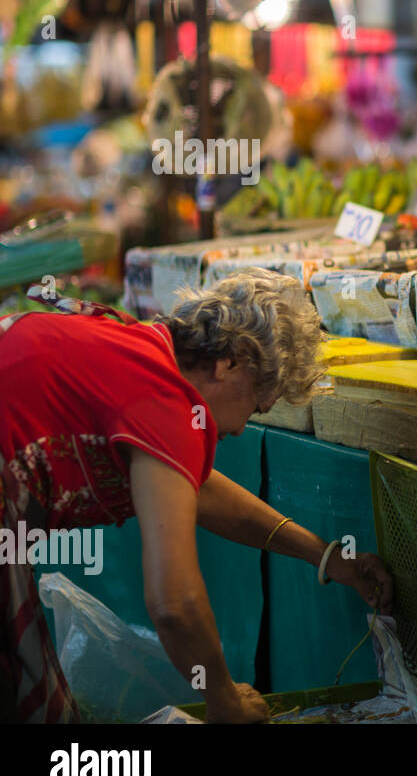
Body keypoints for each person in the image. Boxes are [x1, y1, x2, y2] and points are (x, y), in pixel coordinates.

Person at [0, 269, 393, 723]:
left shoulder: (145, 351)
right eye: (256, 405)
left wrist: (325, 556)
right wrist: (222, 698)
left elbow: (194, 486)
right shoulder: (169, 402)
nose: (242, 427)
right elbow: (175, 603)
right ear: (231, 360)